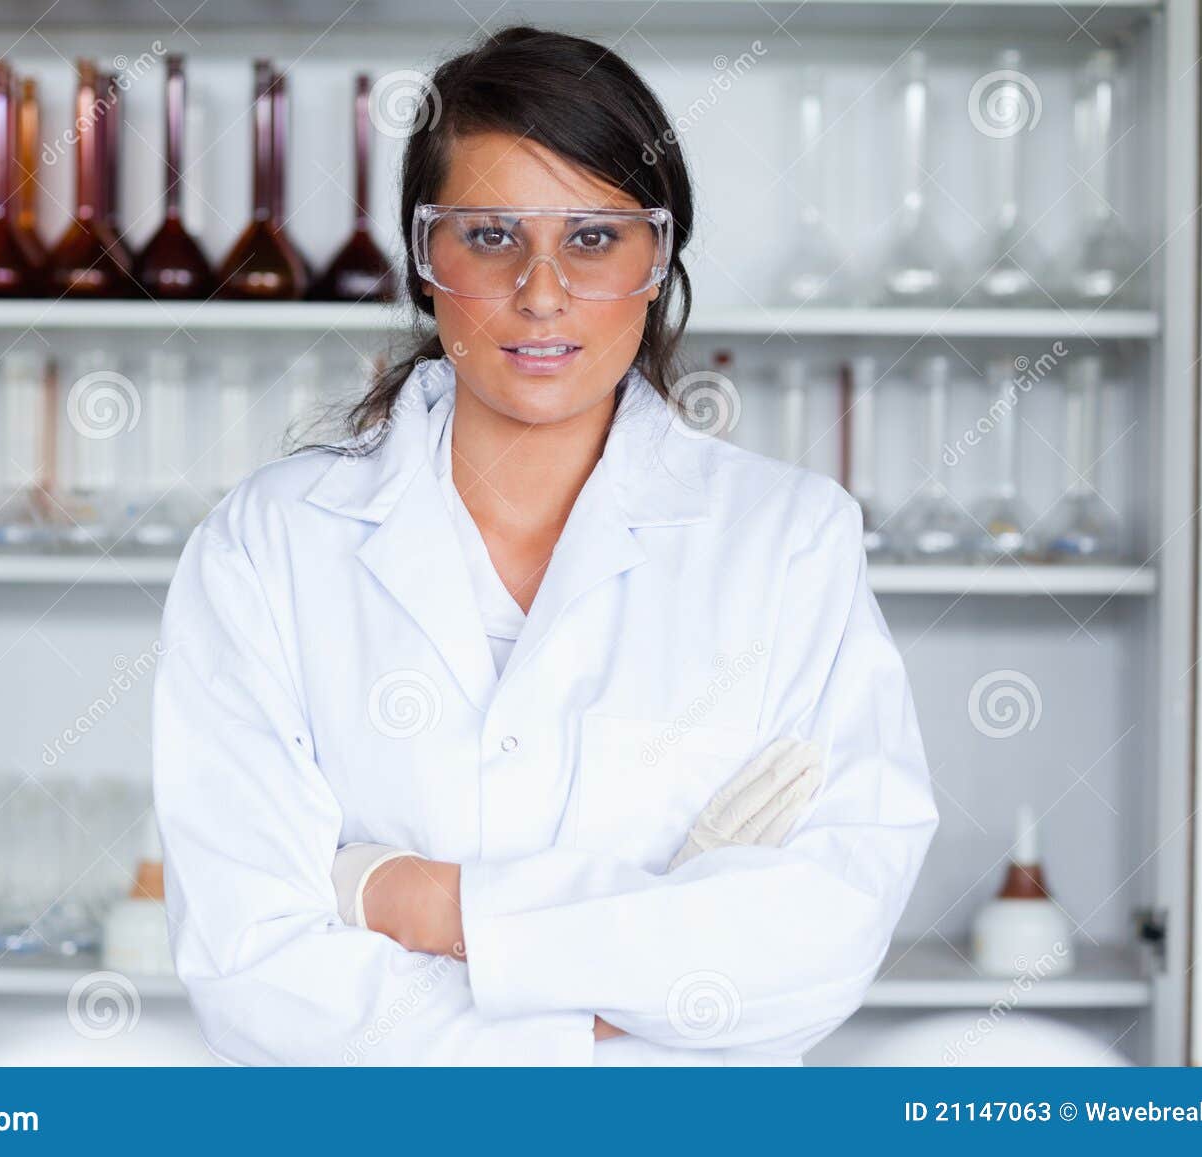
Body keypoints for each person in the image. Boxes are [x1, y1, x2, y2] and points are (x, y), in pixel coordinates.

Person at [151, 24, 938, 1066]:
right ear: (424, 259)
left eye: (593, 237)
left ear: (657, 259)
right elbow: (251, 964)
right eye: (489, 235)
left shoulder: (787, 543)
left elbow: (818, 936)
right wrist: (610, 995)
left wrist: (420, 899)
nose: (541, 289)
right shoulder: (268, 544)